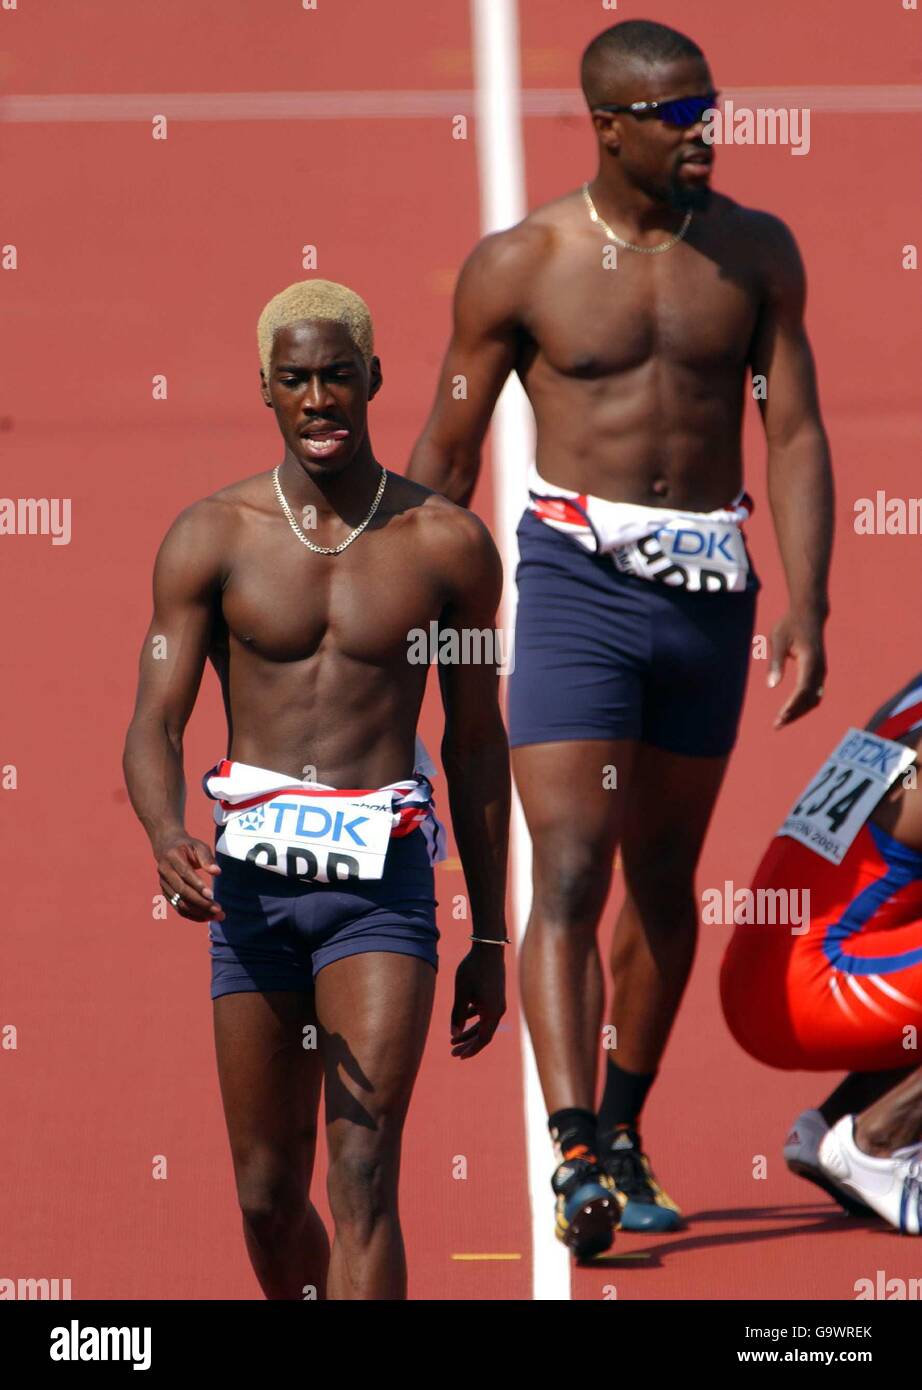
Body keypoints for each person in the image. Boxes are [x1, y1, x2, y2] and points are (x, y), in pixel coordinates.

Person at [408, 18, 833, 1255]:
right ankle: (575, 1145)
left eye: (712, 108)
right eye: (680, 114)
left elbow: (792, 431)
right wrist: (394, 610)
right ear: (608, 124)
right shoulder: (521, 264)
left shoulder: (753, 252)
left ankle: (631, 1123)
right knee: (572, 866)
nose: (708, 132)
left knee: (660, 875)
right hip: (576, 584)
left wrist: (807, 601)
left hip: (709, 590)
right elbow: (444, 445)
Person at [123, 278, 510, 1299]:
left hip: (380, 896)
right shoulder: (209, 538)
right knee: (264, 1191)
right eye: (295, 380)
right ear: (267, 390)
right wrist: (166, 829)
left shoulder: (450, 548)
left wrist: (491, 935)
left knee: (363, 1170)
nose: (319, 398)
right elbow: (153, 723)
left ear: (374, 378)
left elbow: (474, 742)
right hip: (250, 897)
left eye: (338, 375)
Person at [721, 672, 922, 1234]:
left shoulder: (910, 697)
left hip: (763, 976)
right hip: (816, 986)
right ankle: (877, 1142)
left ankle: (834, 1126)